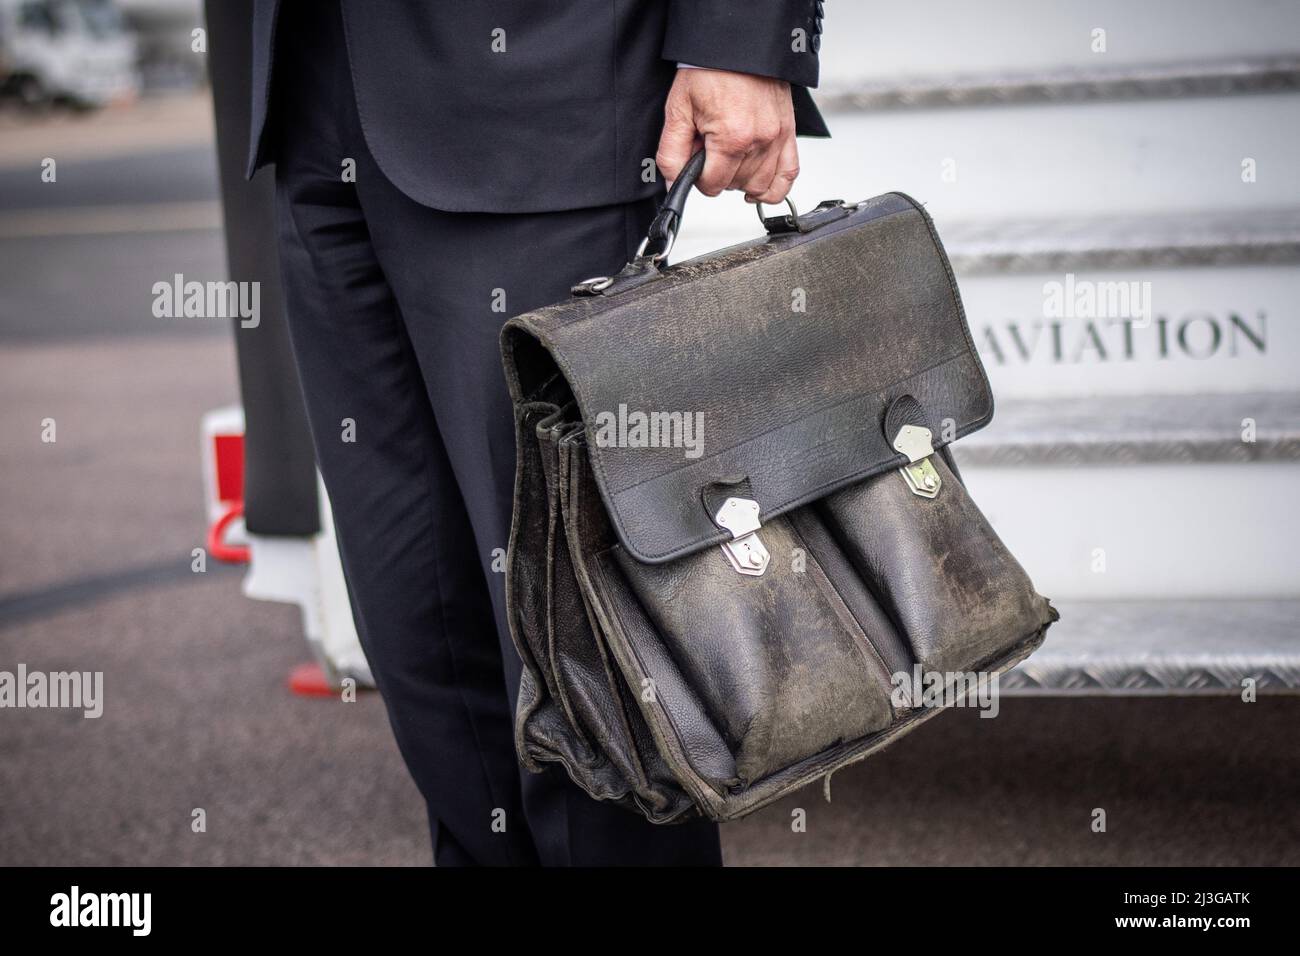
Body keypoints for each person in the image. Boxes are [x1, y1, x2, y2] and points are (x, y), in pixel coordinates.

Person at [249, 0, 828, 866]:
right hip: (313, 83)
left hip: (536, 83)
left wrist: (743, 36)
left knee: (587, 660)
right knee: (421, 640)